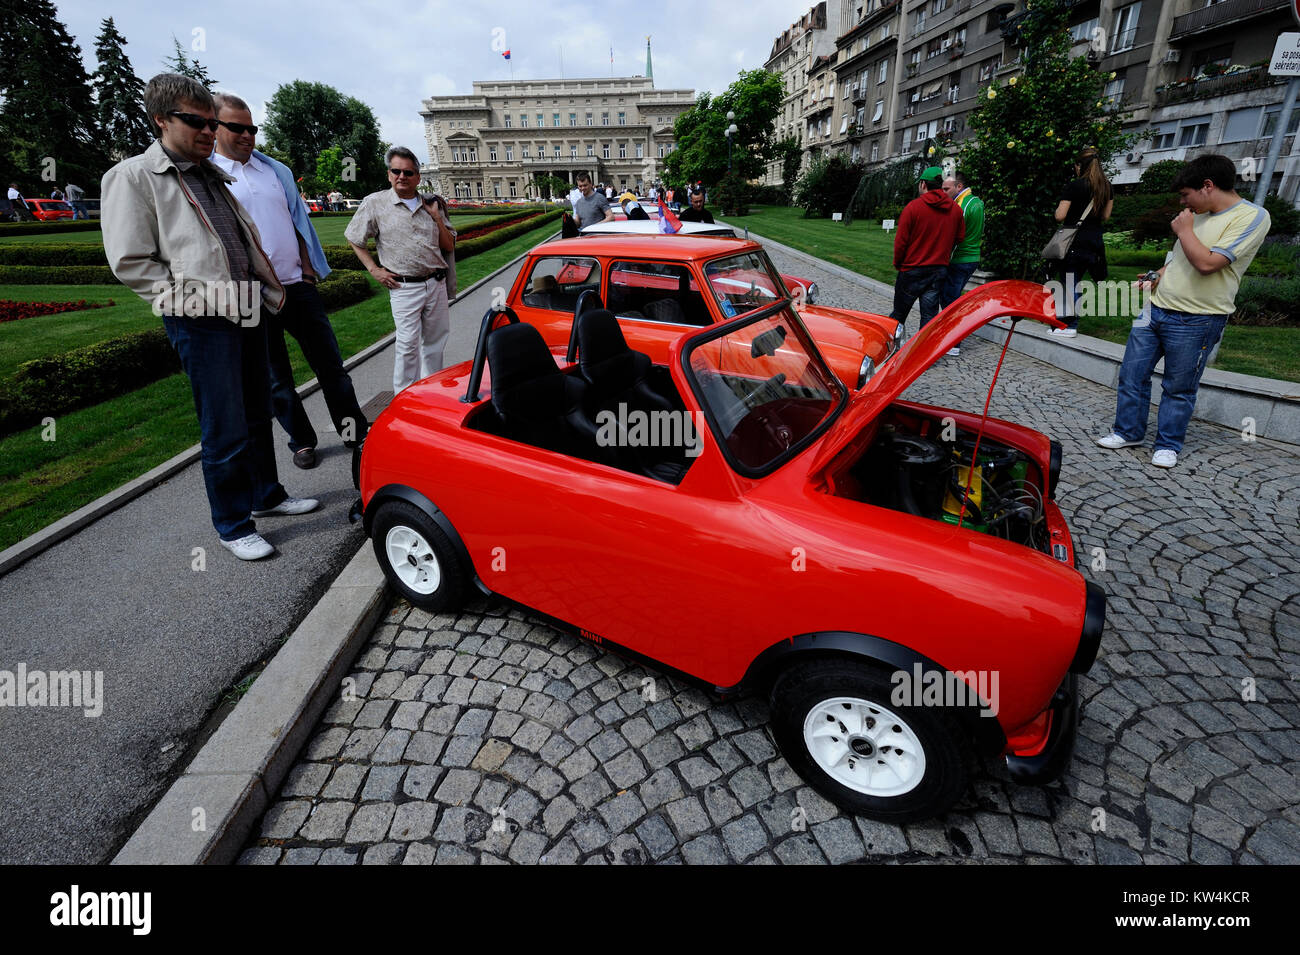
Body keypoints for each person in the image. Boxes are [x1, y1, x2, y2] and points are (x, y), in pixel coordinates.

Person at [101, 73, 318, 561]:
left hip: (247, 310)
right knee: (224, 426)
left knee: (259, 413)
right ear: (161, 119)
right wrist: (194, 302)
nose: (207, 130)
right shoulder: (133, 177)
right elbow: (132, 264)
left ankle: (267, 496)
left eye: (209, 121)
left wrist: (266, 290)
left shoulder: (209, 173)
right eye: (195, 121)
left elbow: (239, 244)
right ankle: (232, 524)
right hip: (201, 322)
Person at [211, 92, 368, 471]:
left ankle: (354, 432)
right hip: (251, 293)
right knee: (276, 377)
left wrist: (308, 270)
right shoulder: (208, 174)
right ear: (215, 127)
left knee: (330, 366)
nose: (247, 136)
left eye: (252, 128)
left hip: (297, 285)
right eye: (237, 128)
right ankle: (301, 440)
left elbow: (299, 221)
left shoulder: (274, 170)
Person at [1097, 154, 1270, 469]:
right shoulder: (1197, 214)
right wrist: (1158, 275)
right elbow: (1179, 259)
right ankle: (1128, 432)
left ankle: (1167, 445)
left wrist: (1184, 230)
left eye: (1185, 194)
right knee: (1132, 375)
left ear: (1207, 186)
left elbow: (1207, 264)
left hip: (1198, 319)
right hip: (1155, 310)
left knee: (1179, 387)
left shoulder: (1252, 216)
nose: (1182, 202)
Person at [345, 146, 457, 393]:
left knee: (436, 343)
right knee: (407, 345)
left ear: (418, 177)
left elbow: (448, 245)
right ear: (389, 174)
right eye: (396, 171)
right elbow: (355, 238)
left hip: (436, 283)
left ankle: (433, 392)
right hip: (404, 287)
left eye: (408, 172)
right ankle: (405, 398)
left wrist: (436, 217)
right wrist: (374, 269)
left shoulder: (433, 203)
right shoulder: (375, 203)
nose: (402, 177)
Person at [891, 165, 965, 342]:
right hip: (938, 270)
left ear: (923, 184)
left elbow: (901, 242)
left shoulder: (913, 207)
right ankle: (921, 354)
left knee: (898, 314)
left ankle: (890, 348)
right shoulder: (955, 210)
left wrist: (898, 264)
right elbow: (960, 237)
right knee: (929, 316)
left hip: (912, 269)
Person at [1051, 147, 1113, 338]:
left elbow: (1060, 215)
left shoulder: (1075, 186)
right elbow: (1105, 216)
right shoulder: (1107, 187)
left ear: (1079, 166)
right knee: (1075, 282)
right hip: (1094, 242)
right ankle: (1068, 322)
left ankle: (1068, 325)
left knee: (1069, 282)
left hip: (1074, 242)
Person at [940, 172, 984, 315]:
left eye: (946, 189)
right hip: (973, 257)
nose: (943, 193)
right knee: (953, 297)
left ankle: (953, 334)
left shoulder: (961, 206)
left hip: (960, 258)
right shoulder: (977, 201)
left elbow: (953, 237)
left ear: (959, 186)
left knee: (949, 300)